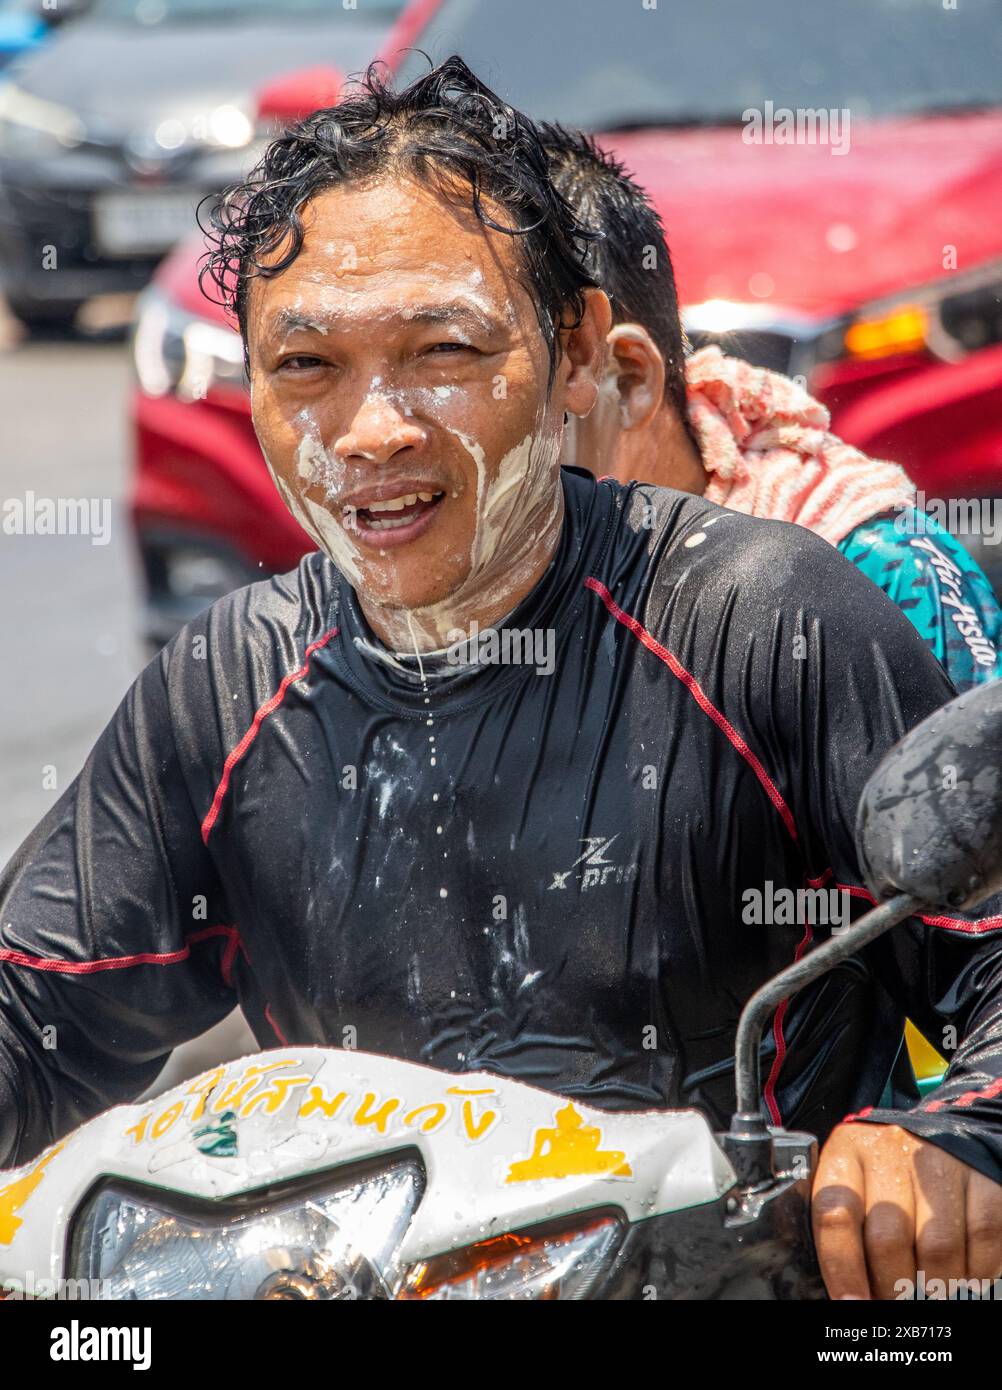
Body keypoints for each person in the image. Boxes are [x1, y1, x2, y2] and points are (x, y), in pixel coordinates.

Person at [1, 58, 1002, 1301]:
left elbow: (988, 958)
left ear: (578, 354)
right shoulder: (225, 682)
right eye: (306, 366)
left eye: (444, 349)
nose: (371, 431)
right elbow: (31, 1020)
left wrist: (955, 1140)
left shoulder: (764, 618)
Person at [543, 123, 1002, 693]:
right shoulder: (432, 582)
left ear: (630, 378)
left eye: (459, 354)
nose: (407, 427)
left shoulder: (875, 573)